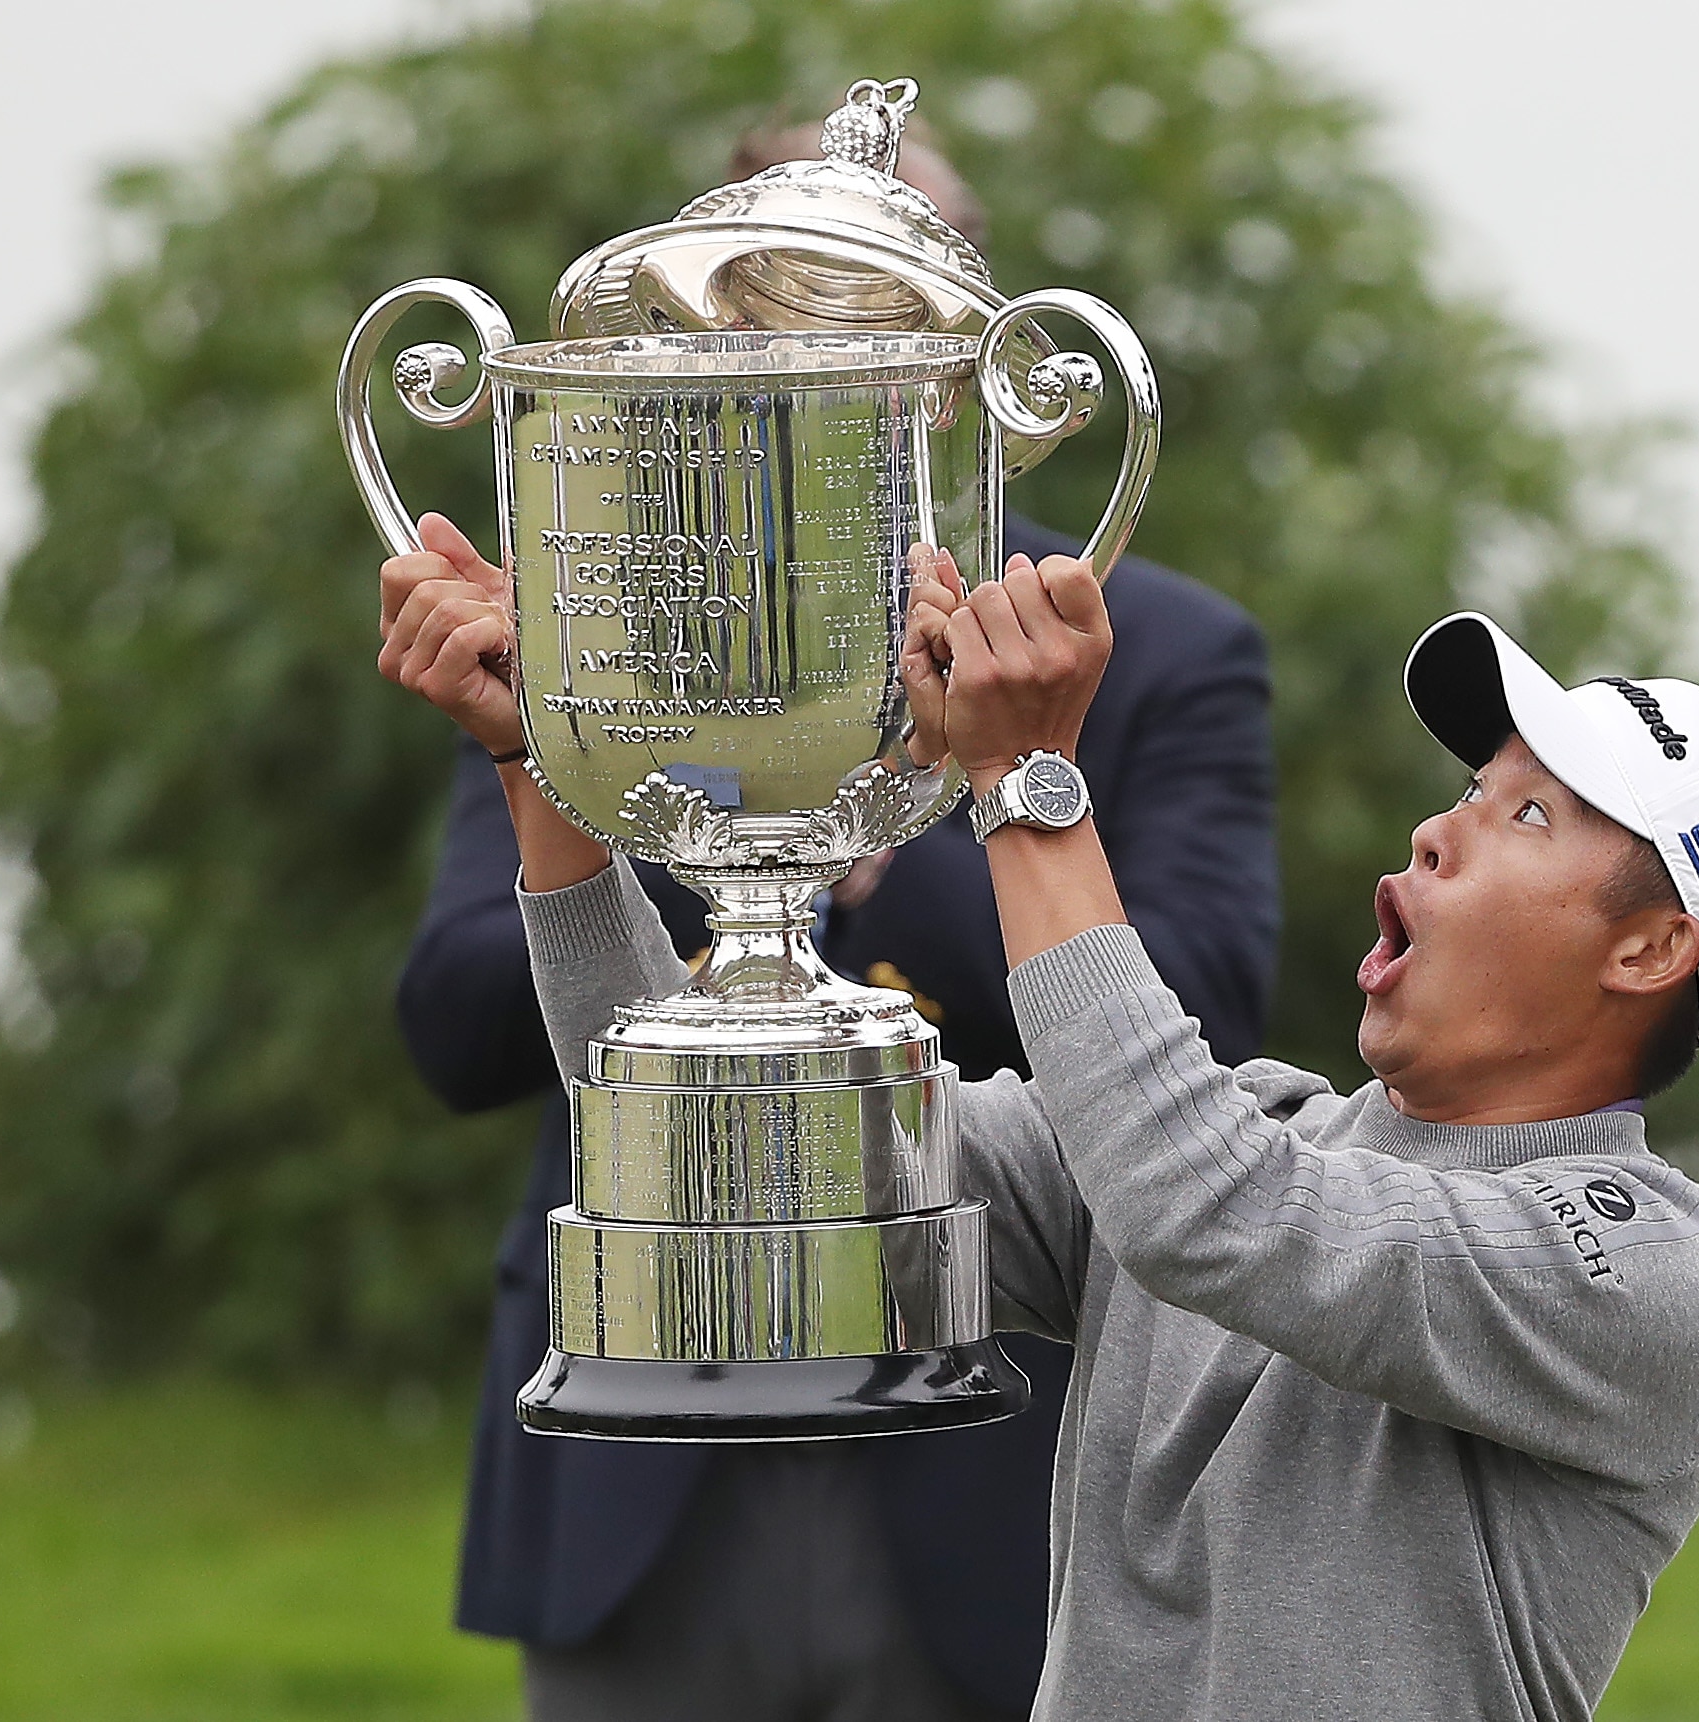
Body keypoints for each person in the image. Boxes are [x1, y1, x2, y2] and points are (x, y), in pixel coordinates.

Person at [380, 535, 1699, 1721]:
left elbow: (1212, 1212)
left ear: (1649, 954)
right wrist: (538, 770)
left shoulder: (1642, 1265)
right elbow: (713, 1157)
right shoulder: (1256, 1132)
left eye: (1525, 817)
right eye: (1461, 791)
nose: (1438, 829)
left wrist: (1026, 790)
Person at [398, 511, 1270, 1720]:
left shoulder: (1156, 641)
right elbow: (455, 1023)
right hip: (644, 1462)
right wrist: (720, 819)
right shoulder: (577, 641)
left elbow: (1201, 1035)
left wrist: (922, 812)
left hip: (990, 1461)